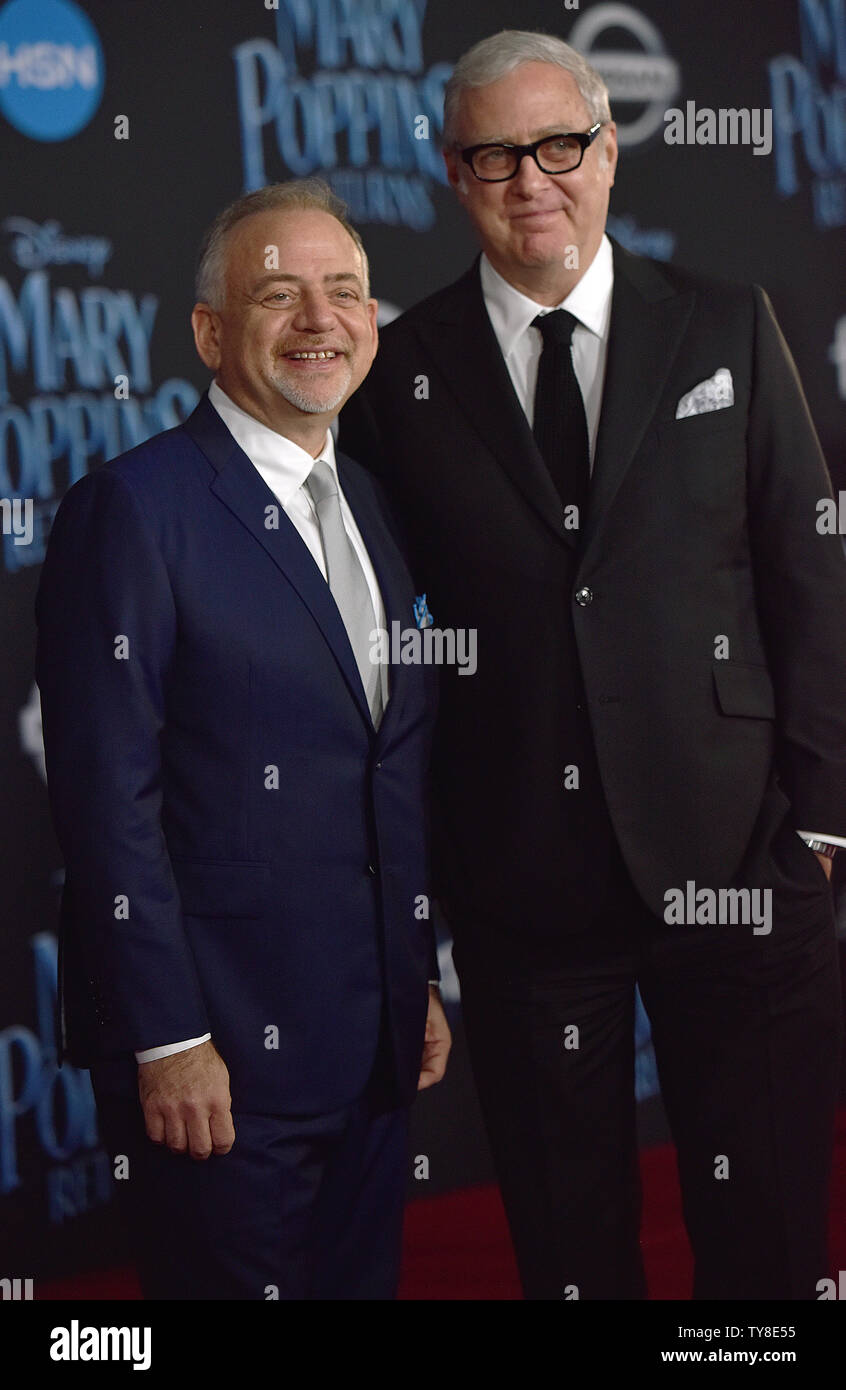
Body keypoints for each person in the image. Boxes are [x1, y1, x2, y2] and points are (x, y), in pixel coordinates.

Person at [339, 30, 846, 1300]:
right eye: (496, 155)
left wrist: (822, 832)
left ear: (609, 152)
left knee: (768, 1243)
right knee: (569, 1250)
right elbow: (370, 629)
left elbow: (809, 574)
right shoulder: (398, 374)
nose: (533, 179)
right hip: (523, 887)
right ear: (457, 176)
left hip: (742, 860)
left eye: (559, 144)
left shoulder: (726, 323)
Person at [35, 179, 450, 1301]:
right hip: (218, 1064)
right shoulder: (134, 508)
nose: (321, 319)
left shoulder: (367, 499)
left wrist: (408, 971)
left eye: (346, 291)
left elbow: (378, 767)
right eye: (280, 293)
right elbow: (105, 795)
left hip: (367, 1048)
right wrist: (167, 1037)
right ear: (212, 331)